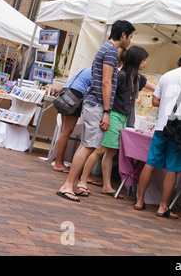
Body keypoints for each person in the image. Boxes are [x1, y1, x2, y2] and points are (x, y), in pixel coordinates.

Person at [56, 20, 135, 202]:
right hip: (98, 104)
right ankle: (68, 185)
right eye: (130, 37)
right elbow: (106, 82)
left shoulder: (106, 49)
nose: (130, 41)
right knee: (89, 146)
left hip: (94, 103)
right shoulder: (110, 52)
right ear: (123, 35)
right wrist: (107, 111)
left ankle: (73, 184)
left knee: (87, 145)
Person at [78, 46, 156, 196]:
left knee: (110, 152)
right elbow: (107, 92)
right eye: (144, 60)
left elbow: (154, 88)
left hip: (123, 119)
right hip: (113, 116)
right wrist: (105, 114)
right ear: (137, 60)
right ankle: (82, 180)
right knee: (99, 150)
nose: (145, 63)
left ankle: (106, 185)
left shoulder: (138, 78)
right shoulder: (121, 76)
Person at [134, 52, 181, 217]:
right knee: (172, 169)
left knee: (150, 162)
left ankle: (139, 201)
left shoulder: (166, 75)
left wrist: (168, 103)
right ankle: (163, 207)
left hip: (161, 126)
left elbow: (155, 101)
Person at [53, 67, 91, 173]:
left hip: (66, 92)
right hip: (75, 95)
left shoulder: (88, 69)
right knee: (66, 132)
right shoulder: (100, 70)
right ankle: (58, 163)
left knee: (64, 132)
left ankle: (58, 162)